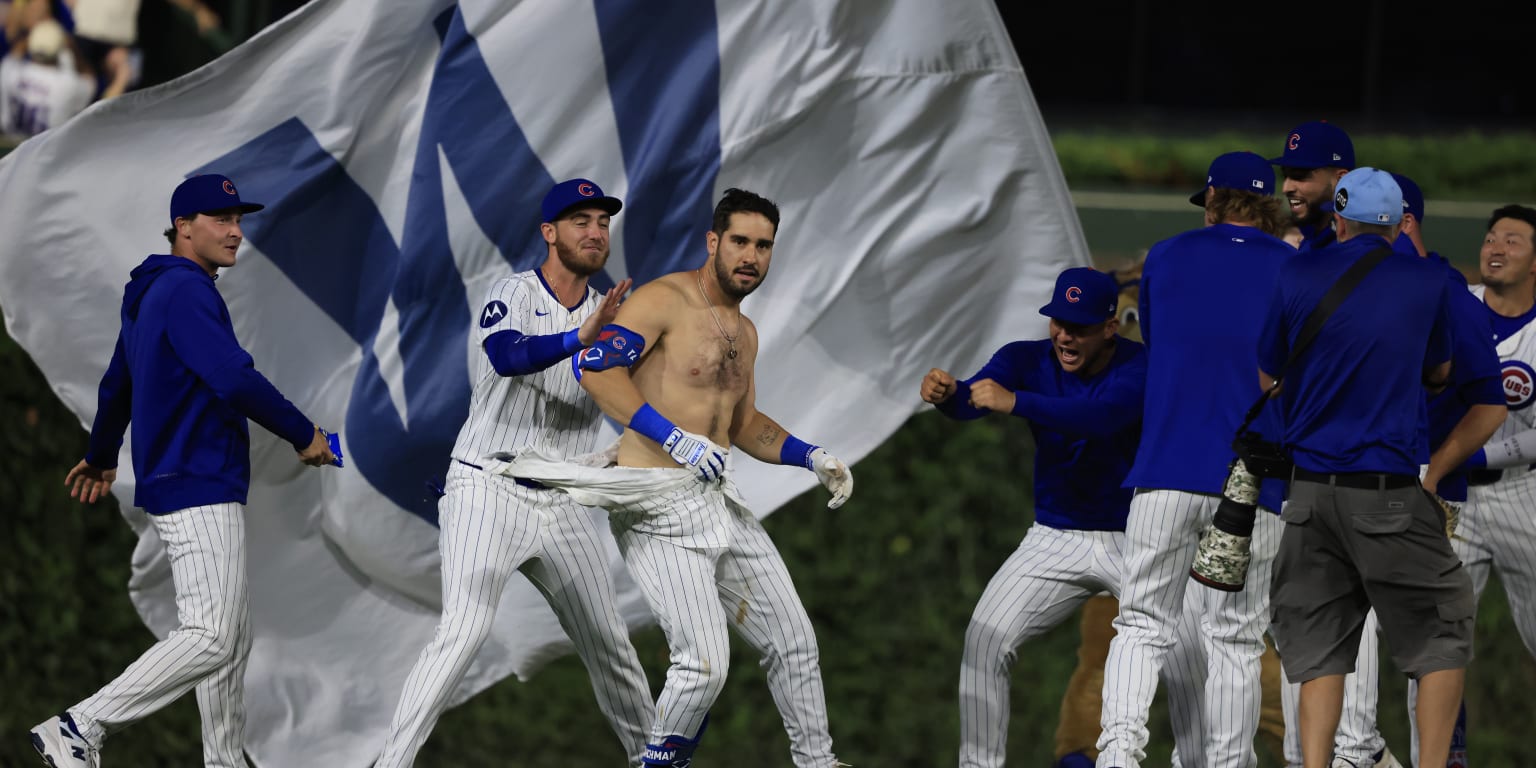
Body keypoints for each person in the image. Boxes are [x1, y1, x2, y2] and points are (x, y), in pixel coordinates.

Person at [507, 188, 853, 767]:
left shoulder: (744, 331)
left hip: (715, 499)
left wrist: (811, 456)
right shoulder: (663, 299)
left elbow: (742, 423)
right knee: (704, 665)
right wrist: (673, 437)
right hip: (655, 507)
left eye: (763, 245)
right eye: (739, 241)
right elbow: (595, 368)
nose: (751, 256)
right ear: (713, 241)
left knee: (794, 641)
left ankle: (818, 763)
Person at [29, 173, 337, 768]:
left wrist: (101, 454)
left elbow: (118, 382)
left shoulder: (152, 291)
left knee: (231, 639)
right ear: (183, 227)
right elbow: (233, 378)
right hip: (195, 476)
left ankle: (224, 761)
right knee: (212, 635)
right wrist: (304, 433)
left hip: (184, 475)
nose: (236, 231)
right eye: (221, 219)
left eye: (239, 219)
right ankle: (78, 727)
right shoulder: (186, 289)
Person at [373, 178, 653, 767]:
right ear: (550, 233)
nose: (595, 231)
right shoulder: (514, 292)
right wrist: (579, 336)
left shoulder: (617, 316)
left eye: (602, 222)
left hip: (564, 500)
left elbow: (641, 397)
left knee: (612, 647)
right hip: (489, 487)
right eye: (580, 221)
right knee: (464, 633)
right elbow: (506, 355)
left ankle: (655, 761)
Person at [920, 266, 1193, 768]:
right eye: (1058, 322)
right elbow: (973, 400)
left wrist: (1016, 401)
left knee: (1190, 660)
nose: (1065, 335)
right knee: (985, 639)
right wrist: (948, 395)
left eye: (1080, 327)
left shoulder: (1139, 364)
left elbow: (1101, 418)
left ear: (1109, 327)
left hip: (1136, 538)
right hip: (1054, 536)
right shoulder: (1024, 358)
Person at [1261, 168, 1476, 768]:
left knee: (1320, 647)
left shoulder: (1297, 272)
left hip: (1307, 494)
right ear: (1398, 224)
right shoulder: (1425, 280)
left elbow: (1268, 377)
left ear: (1339, 219)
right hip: (1384, 490)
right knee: (1443, 627)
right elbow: (1440, 370)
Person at [1096, 151, 1295, 768]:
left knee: (1141, 625)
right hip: (1254, 480)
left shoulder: (1166, 256)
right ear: (1267, 204)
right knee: (1237, 639)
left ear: (1213, 200)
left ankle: (1118, 756)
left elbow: (1159, 342)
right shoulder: (1293, 265)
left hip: (1166, 470)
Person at [0, 18, 96, 136]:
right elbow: (91, 80)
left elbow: (16, 51)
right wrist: (73, 48)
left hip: (8, 143)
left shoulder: (10, 71)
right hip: (48, 146)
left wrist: (28, 39)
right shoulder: (69, 85)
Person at [1270, 120, 1354, 253]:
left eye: (1299, 176)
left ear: (1340, 179)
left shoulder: (1354, 248)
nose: (1286, 188)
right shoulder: (1311, 238)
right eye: (1285, 175)